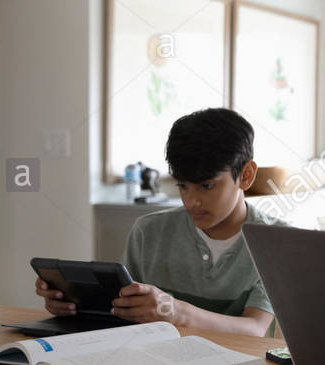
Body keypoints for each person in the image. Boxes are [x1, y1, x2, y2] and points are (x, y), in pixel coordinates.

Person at [36, 107, 281, 336]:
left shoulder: (277, 239)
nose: (192, 201)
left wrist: (175, 311)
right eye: (183, 186)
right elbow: (123, 315)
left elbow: (256, 329)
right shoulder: (148, 232)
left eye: (206, 186)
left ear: (246, 175)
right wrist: (75, 304)